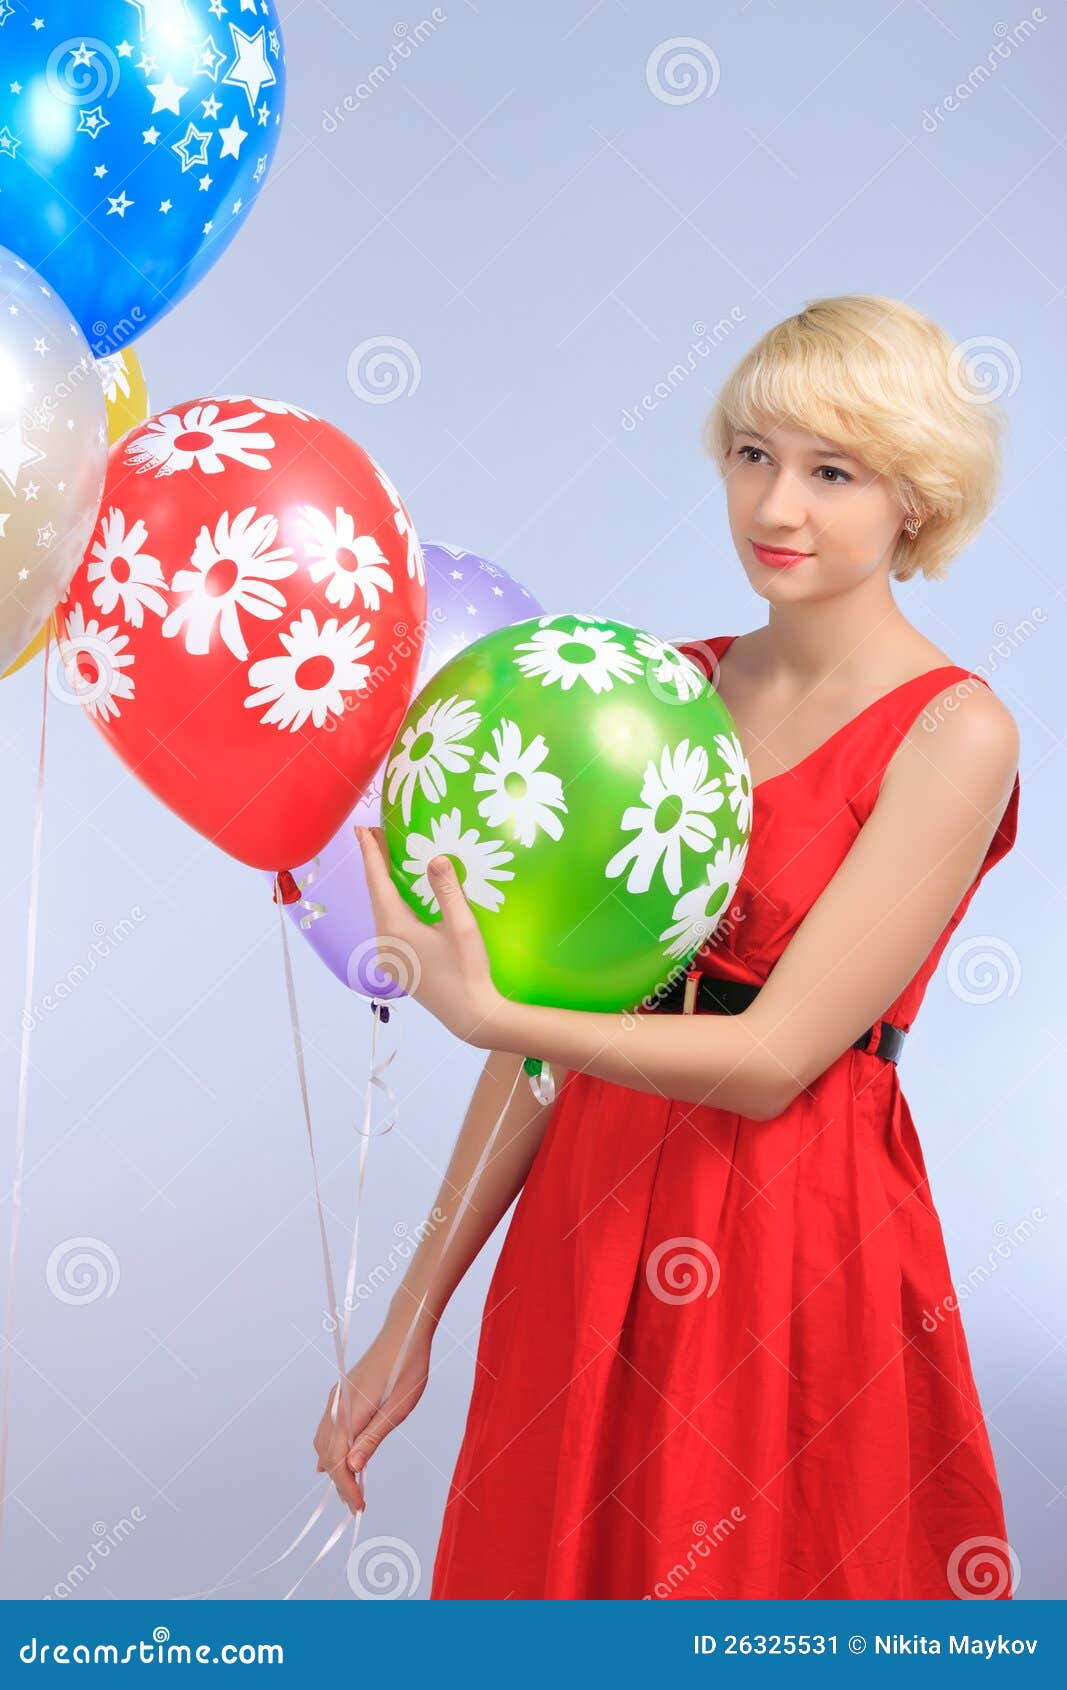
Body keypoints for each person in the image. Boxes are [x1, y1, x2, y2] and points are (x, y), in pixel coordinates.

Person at [314, 294, 1021, 1600]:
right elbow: (540, 1049)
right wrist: (410, 1318)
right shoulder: (659, 693)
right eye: (753, 455)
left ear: (917, 497)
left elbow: (769, 1057)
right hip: (588, 1209)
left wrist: (499, 1014)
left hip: (791, 1225)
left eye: (832, 470)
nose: (776, 507)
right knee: (553, 1578)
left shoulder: (956, 733)